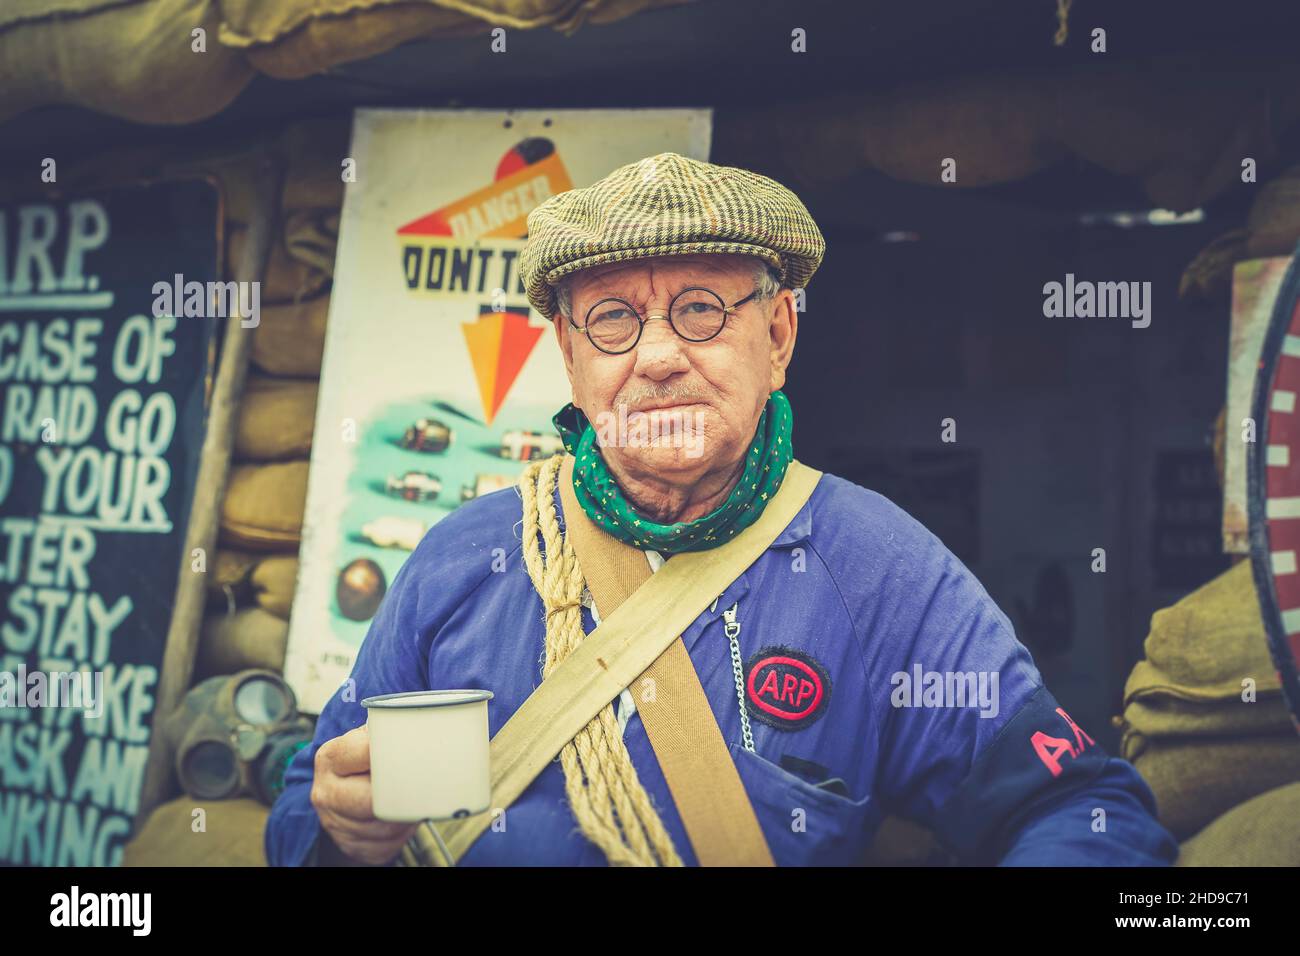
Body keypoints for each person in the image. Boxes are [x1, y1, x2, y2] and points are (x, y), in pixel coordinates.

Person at [265, 152, 1177, 866]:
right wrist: (334, 831)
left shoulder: (881, 572)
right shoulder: (465, 556)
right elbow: (318, 788)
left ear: (777, 337)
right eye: (613, 320)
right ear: (572, 362)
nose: (656, 357)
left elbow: (1071, 807)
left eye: (701, 310)